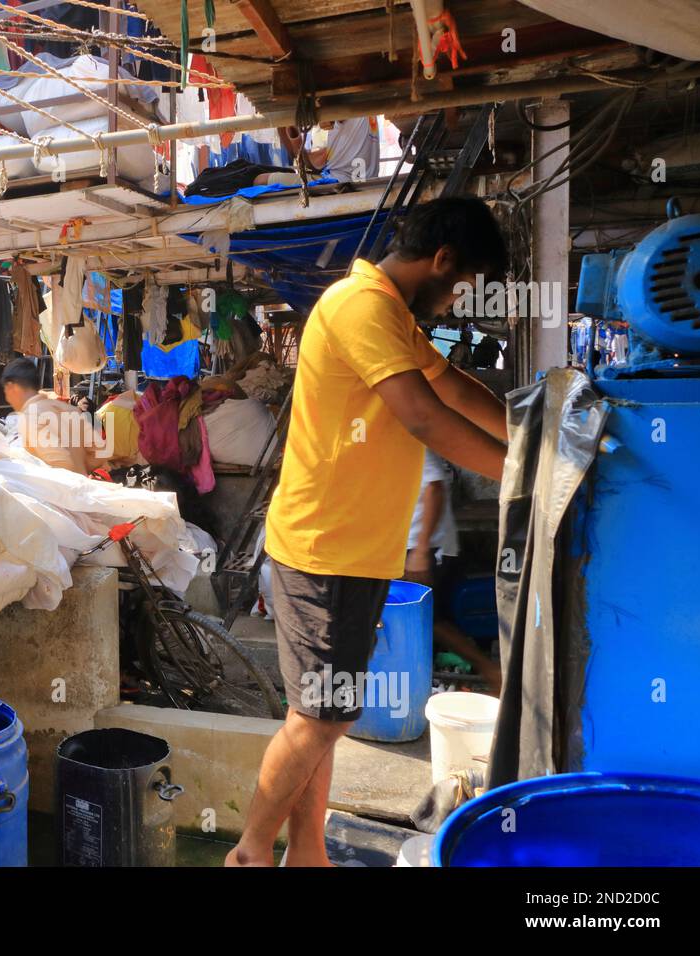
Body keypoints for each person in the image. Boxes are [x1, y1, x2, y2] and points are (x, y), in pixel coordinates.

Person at [226, 196, 510, 868]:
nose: (456, 302)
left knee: (326, 716)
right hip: (322, 550)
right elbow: (422, 417)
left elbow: (457, 391)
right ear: (443, 261)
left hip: (355, 554)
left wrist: (533, 434)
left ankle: (310, 854)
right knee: (320, 716)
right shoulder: (362, 306)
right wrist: (524, 469)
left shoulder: (392, 316)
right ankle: (249, 852)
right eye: (463, 284)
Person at [404, 449, 502, 693]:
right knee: (422, 619)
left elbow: (434, 488)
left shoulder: (413, 442)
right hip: (411, 547)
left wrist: (421, 550)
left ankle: (491, 671)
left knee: (428, 619)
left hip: (422, 548)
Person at [0, 357, 102, 475]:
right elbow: (100, 451)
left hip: (62, 490)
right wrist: (81, 470)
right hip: (81, 487)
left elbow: (61, 463)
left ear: (11, 387)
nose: (7, 398)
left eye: (5, 392)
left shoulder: (31, 417)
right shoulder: (69, 409)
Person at [274, 117, 380, 185]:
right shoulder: (365, 116)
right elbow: (309, 162)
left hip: (339, 181)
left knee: (261, 179)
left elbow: (304, 161)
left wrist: (284, 124)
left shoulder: (339, 107)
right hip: (364, 180)